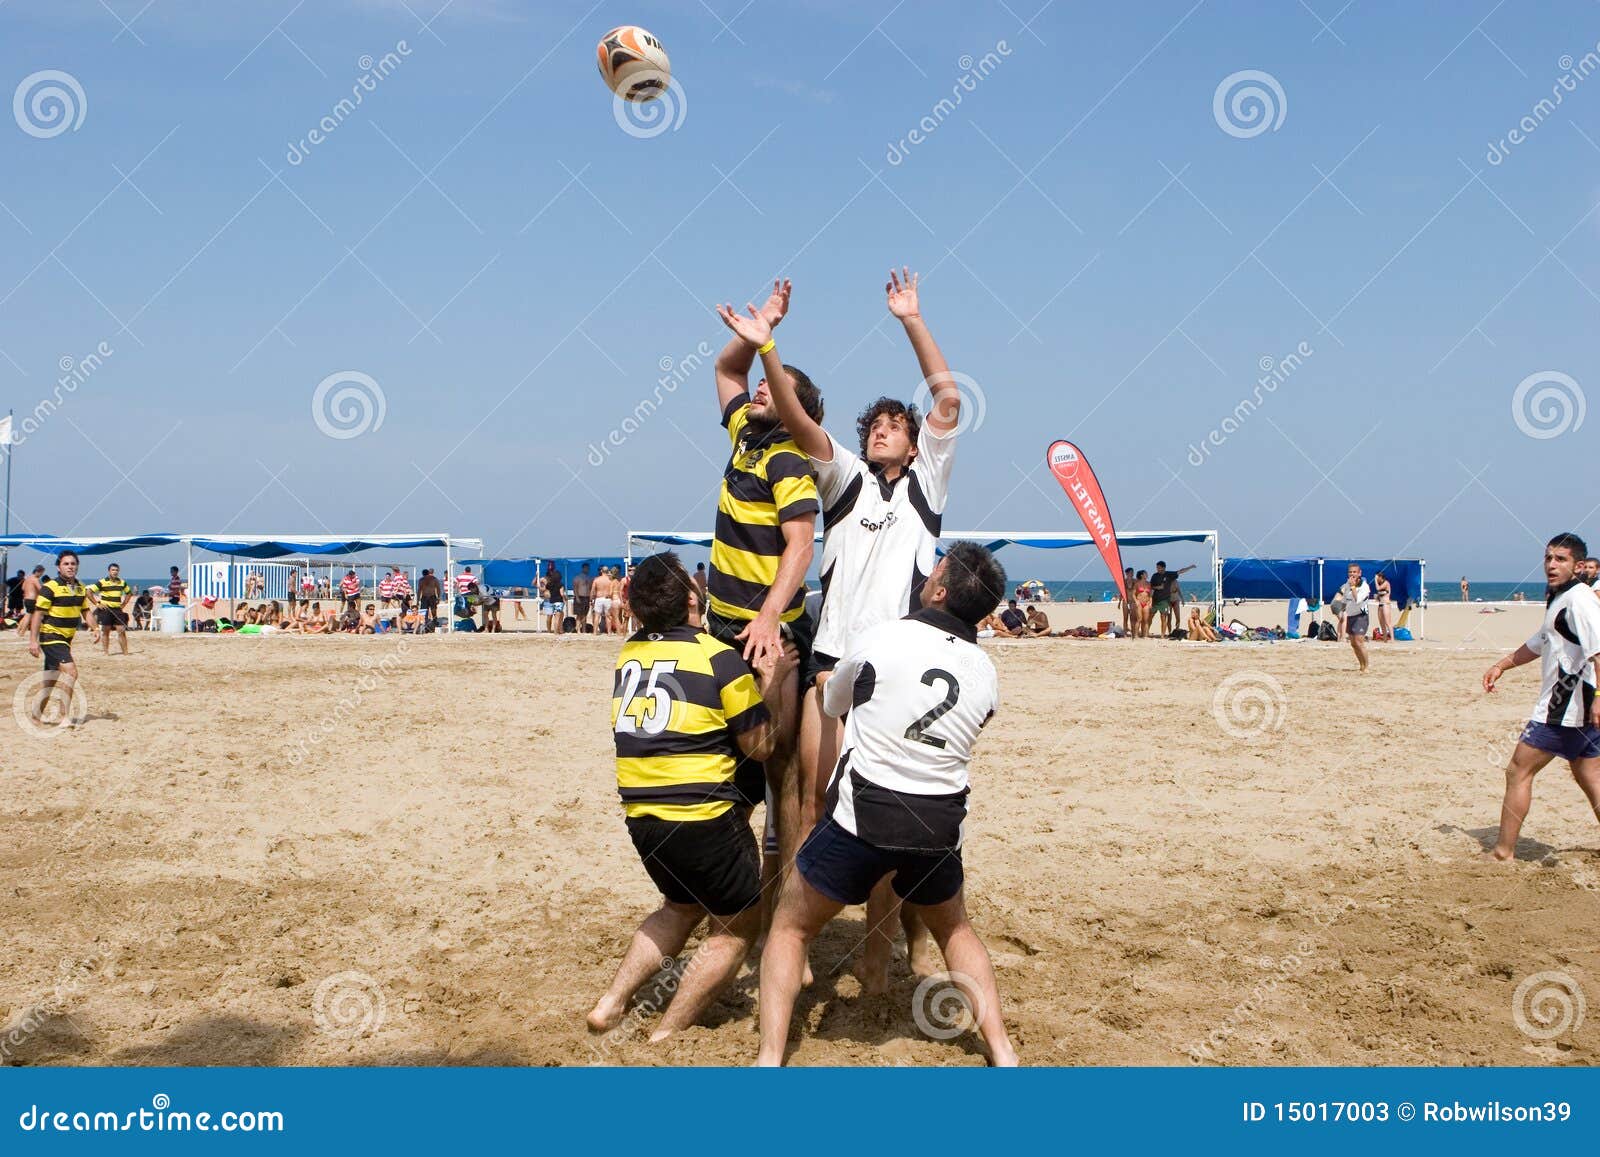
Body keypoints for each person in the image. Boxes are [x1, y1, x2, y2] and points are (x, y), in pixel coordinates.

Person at [742, 266, 962, 985]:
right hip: (831, 659)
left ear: (912, 440)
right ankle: (794, 936)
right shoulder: (844, 481)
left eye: (894, 425)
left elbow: (949, 397)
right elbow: (805, 425)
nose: (882, 432)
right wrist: (768, 348)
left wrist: (911, 319)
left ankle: (878, 950)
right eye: (874, 426)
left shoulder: (927, 485)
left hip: (891, 668)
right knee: (809, 797)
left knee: (883, 810)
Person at [758, 543, 1018, 1067]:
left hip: (865, 816)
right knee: (957, 930)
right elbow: (975, 723)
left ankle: (769, 1058)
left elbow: (833, 704)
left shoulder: (884, 636)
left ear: (940, 590)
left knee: (790, 926)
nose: (927, 572)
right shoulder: (985, 671)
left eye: (936, 569)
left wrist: (832, 684)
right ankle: (1002, 1049)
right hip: (938, 824)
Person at [586, 551, 795, 1041]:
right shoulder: (717, 658)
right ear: (690, 598)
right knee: (739, 926)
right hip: (701, 815)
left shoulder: (629, 655)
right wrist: (773, 682)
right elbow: (761, 747)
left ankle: (611, 1003)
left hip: (642, 816)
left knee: (679, 906)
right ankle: (668, 1030)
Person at [707, 277, 821, 882]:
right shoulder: (745, 435)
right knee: (727, 764)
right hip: (723, 629)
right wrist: (760, 334)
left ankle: (786, 910)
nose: (757, 392)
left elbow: (801, 547)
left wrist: (771, 616)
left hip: (768, 635)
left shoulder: (787, 457)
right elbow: (727, 372)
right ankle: (737, 890)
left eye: (776, 390)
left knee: (782, 772)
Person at [1482, 532, 1600, 861]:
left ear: (1578, 566)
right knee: (1590, 775)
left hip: (1563, 709)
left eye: (1560, 559)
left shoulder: (1580, 600)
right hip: (1579, 708)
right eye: (1548, 558)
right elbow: (1541, 640)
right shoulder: (1559, 597)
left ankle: (1503, 853)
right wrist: (1502, 665)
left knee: (1518, 771)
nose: (1551, 564)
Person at [27, 551, 90, 729]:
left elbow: (85, 611)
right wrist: (33, 640)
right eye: (66, 564)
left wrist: (95, 628)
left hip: (66, 638)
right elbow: (38, 614)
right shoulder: (50, 587)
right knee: (71, 673)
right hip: (51, 636)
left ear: (77, 566)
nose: (70, 566)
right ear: (59, 567)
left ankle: (35, 716)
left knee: (51, 679)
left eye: (73, 563)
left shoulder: (80, 587)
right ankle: (64, 717)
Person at [89, 562, 133, 655]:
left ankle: (125, 653)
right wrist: (97, 604)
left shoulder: (122, 582)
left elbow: (129, 593)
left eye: (116, 570)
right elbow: (89, 592)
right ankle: (106, 653)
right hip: (106, 610)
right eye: (113, 570)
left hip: (117, 609)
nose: (115, 572)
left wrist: (124, 603)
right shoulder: (102, 582)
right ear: (109, 571)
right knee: (106, 631)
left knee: (121, 631)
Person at [1337, 563, 1371, 672]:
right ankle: (1361, 665)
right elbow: (1344, 598)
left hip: (1361, 616)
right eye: (1350, 572)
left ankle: (1366, 666)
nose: (1352, 574)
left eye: (1354, 572)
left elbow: (1357, 600)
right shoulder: (1346, 584)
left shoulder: (1364, 586)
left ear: (1359, 573)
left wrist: (1353, 587)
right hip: (1350, 615)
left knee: (1359, 641)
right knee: (1353, 643)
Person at [1151, 561, 1195, 637]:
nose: (1157, 569)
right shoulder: (1156, 576)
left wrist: (1190, 567)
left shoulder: (1171, 577)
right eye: (1157, 568)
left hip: (1174, 599)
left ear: (1163, 567)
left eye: (1159, 567)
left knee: (1177, 616)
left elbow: (1180, 572)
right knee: (1169, 617)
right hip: (1166, 600)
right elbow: (1152, 586)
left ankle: (1176, 630)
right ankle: (1170, 632)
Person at [15, 565, 45, 639]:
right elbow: (40, 589)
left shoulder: (27, 578)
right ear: (38, 572)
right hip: (32, 599)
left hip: (26, 599)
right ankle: (21, 633)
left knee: (27, 615)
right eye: (41, 573)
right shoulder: (35, 579)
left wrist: (30, 590)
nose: (42, 575)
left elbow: (23, 588)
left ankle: (18, 630)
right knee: (29, 616)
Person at [417, 568, 442, 632]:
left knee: (424, 611)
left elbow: (419, 590)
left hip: (425, 597)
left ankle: (425, 623)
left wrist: (417, 600)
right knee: (433, 610)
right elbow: (438, 589)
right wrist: (438, 597)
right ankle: (434, 621)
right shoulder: (434, 579)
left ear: (422, 574)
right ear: (428, 573)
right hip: (432, 596)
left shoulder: (421, 580)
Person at [541, 567, 565, 634]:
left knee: (556, 617)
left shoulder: (550, 584)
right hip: (559, 602)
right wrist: (565, 597)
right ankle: (556, 631)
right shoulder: (560, 584)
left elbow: (543, 589)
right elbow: (562, 593)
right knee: (557, 617)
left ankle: (557, 631)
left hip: (552, 601)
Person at [593, 566, 615, 634]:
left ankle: (594, 632)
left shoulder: (596, 579)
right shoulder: (610, 580)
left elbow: (593, 590)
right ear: (608, 571)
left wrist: (591, 599)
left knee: (597, 616)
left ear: (601, 571)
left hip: (599, 598)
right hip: (607, 598)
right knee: (608, 616)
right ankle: (609, 632)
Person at [1132, 570, 1154, 638]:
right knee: (1139, 619)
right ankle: (1136, 635)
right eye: (1145, 574)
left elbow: (1150, 595)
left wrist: (1150, 603)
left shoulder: (1149, 584)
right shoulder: (1137, 584)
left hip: (1146, 603)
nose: (1147, 575)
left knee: (1146, 620)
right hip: (1139, 603)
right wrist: (1136, 601)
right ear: (1142, 575)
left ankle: (1145, 635)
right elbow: (1133, 594)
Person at [1372, 572, 1393, 640]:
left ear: (1381, 577)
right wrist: (1377, 597)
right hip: (1380, 604)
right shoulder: (1381, 585)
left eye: (1378, 578)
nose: (1377, 580)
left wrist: (1375, 579)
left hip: (1386, 604)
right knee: (1381, 623)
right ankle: (1385, 638)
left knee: (1387, 622)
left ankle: (1392, 638)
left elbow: (1378, 588)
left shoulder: (1386, 583)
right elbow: (1380, 595)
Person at [573, 563, 593, 629]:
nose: (587, 569)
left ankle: (584, 629)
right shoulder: (577, 577)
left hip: (586, 597)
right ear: (583, 568)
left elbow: (590, 589)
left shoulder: (589, 578)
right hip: (579, 597)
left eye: (588, 568)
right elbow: (575, 588)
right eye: (586, 568)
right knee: (579, 614)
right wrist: (577, 597)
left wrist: (590, 597)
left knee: (585, 615)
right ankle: (578, 629)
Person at [1118, 567, 1135, 638]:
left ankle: (1133, 632)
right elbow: (1121, 593)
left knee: (1132, 618)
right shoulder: (1123, 582)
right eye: (1131, 572)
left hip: (1133, 602)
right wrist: (1119, 602)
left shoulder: (1135, 581)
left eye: (1132, 572)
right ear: (1127, 573)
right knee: (1125, 618)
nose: (1132, 573)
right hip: (1125, 601)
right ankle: (1125, 632)